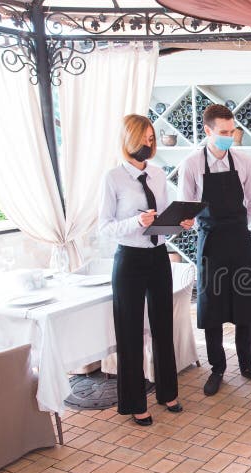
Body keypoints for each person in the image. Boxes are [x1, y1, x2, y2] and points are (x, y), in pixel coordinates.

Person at [98, 114, 191, 425]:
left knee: (164, 327)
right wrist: (135, 222)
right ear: (129, 140)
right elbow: (104, 227)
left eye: (151, 139)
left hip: (158, 256)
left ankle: (168, 392)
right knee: (130, 333)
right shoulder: (113, 178)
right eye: (143, 139)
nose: (148, 145)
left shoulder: (158, 174)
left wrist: (178, 223)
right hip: (129, 260)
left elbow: (161, 219)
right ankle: (135, 402)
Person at [178, 104, 251, 396]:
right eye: (224, 132)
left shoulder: (243, 161)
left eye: (232, 131)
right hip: (210, 241)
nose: (230, 137)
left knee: (244, 303)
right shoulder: (191, 164)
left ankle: (247, 364)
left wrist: (237, 225)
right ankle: (217, 368)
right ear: (208, 130)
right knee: (212, 305)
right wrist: (203, 225)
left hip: (239, 239)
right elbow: (186, 207)